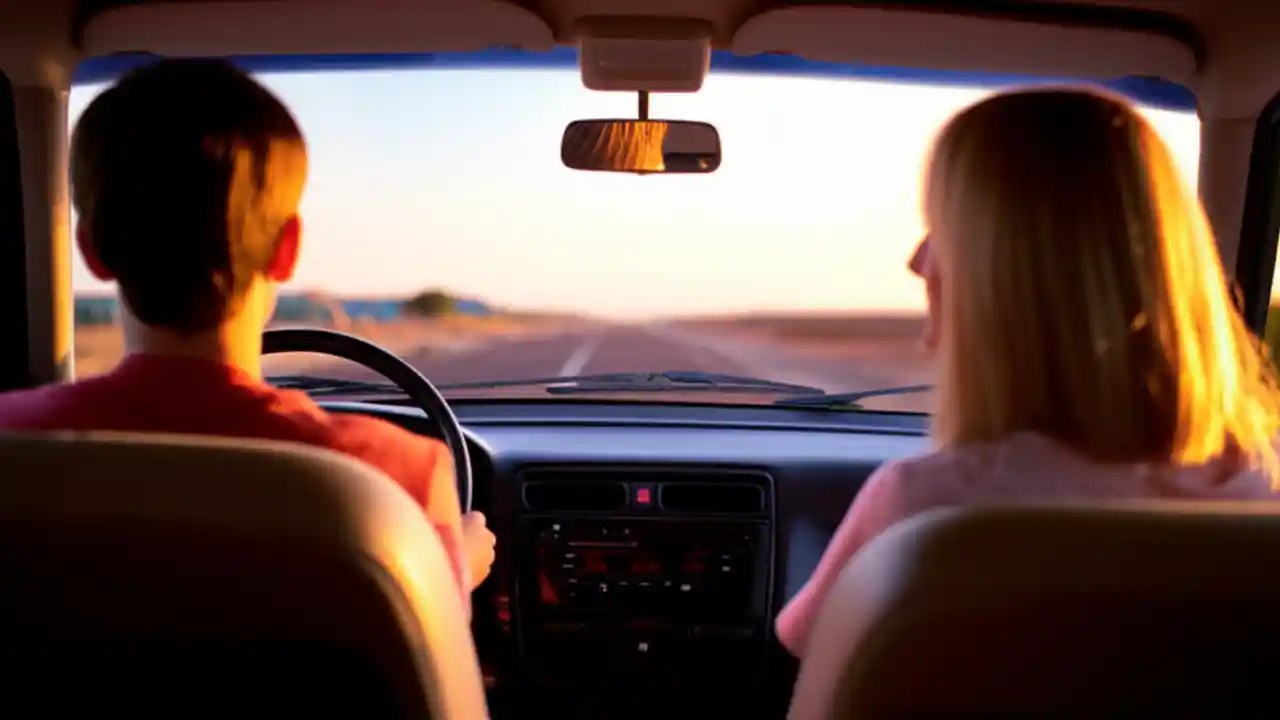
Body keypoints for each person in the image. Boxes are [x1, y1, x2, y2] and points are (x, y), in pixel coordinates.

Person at [776, 87, 1280, 657]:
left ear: (1003, 272)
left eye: (942, 226)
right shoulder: (1268, 478)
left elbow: (802, 638)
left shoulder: (927, 502)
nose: (918, 260)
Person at [0, 59, 495, 600]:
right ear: (288, 249)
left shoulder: (13, 443)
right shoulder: (397, 477)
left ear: (92, 250)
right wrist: (459, 564)